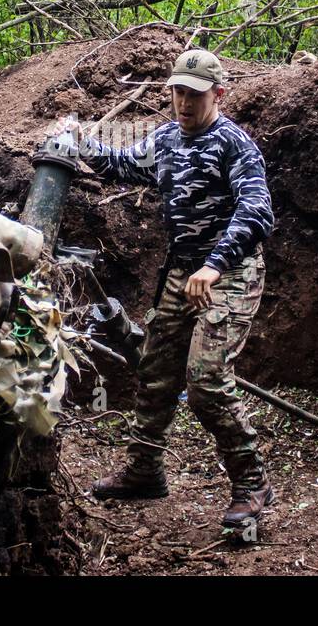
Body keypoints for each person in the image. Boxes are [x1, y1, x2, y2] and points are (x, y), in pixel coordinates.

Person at [66, 48, 276, 529]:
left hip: (230, 271)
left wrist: (215, 266)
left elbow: (256, 210)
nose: (183, 102)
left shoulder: (234, 145)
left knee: (205, 382)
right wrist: (82, 143)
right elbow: (123, 164)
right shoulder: (165, 140)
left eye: (194, 94)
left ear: (218, 94)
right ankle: (144, 470)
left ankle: (251, 483)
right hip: (182, 272)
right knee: (156, 370)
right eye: (178, 91)